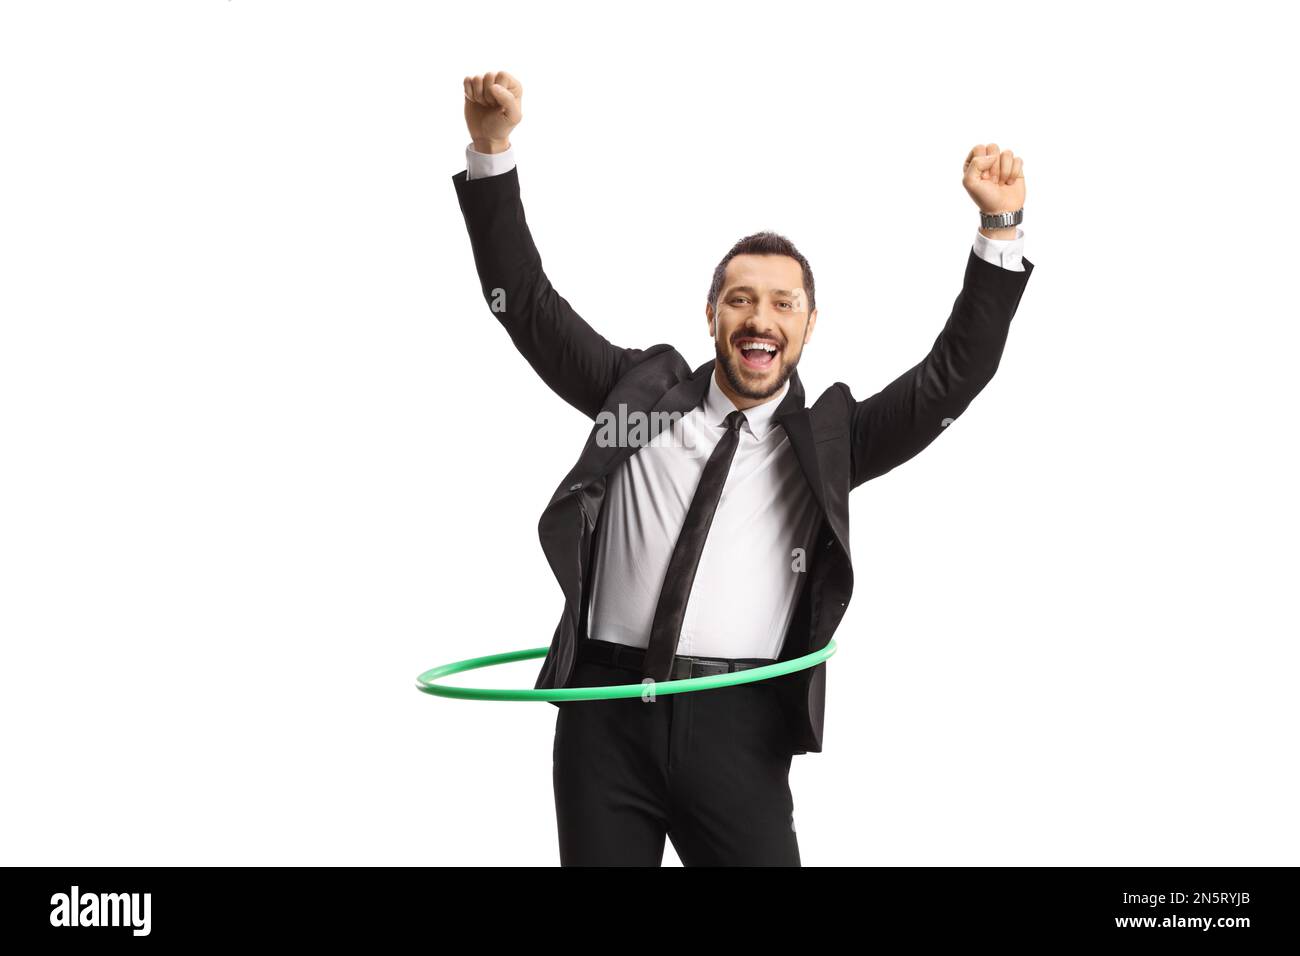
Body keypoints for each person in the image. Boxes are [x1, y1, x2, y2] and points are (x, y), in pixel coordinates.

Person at [453, 70, 1034, 866]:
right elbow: (523, 300)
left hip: (738, 727)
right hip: (603, 718)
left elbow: (954, 376)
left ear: (808, 323)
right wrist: (491, 151)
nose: (760, 318)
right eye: (740, 299)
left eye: (782, 303)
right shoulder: (636, 396)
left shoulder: (832, 441)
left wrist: (1000, 227)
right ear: (712, 314)